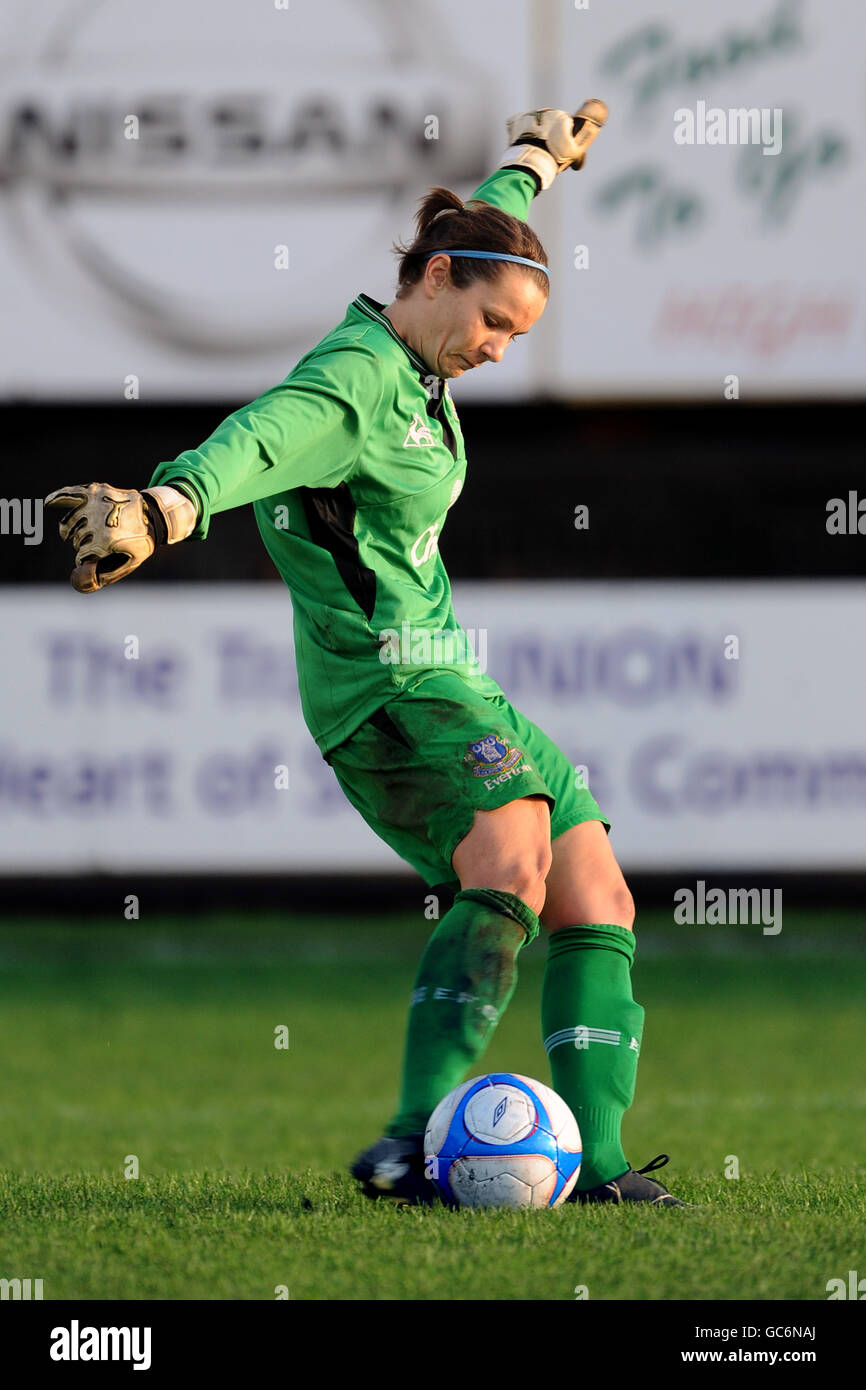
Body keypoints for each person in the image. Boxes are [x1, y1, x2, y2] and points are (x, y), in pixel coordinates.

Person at [45, 106, 682, 1208]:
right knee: (511, 858)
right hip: (384, 687)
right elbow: (261, 437)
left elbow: (495, 219)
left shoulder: (433, 324)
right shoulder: (356, 381)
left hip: (448, 673)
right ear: (435, 278)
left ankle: (602, 1168)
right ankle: (405, 1142)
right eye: (492, 324)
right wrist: (165, 503)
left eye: (516, 338)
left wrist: (534, 159)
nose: (497, 348)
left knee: (596, 895)